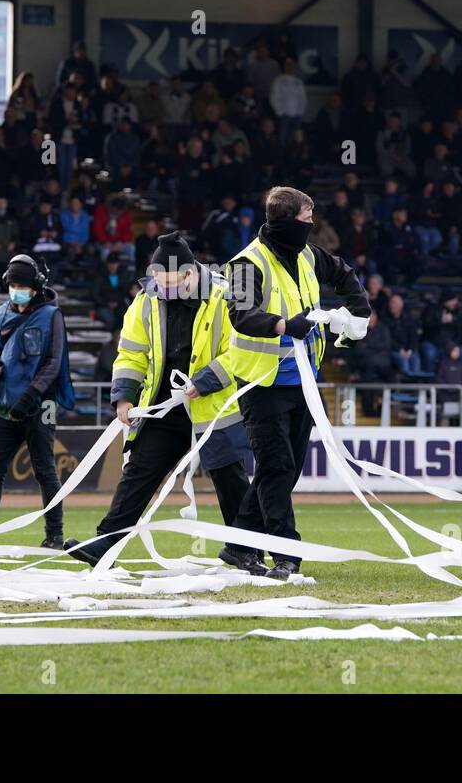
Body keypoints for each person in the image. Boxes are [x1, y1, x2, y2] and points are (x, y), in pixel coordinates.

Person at [63, 234, 253, 565]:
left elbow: (238, 352)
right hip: (165, 406)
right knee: (138, 474)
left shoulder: (225, 295)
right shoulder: (147, 298)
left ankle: (243, 549)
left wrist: (204, 382)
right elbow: (131, 353)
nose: (163, 289)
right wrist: (124, 398)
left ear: (190, 274)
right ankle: (105, 544)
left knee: (229, 478)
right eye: (158, 282)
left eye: (169, 283)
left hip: (214, 406)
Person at [221, 186, 371, 580]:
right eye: (307, 219)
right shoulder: (243, 264)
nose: (312, 227)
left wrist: (360, 309)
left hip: (302, 380)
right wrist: (284, 325)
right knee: (276, 464)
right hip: (261, 382)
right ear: (287, 221)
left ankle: (237, 545)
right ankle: (287, 553)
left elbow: (341, 271)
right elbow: (241, 315)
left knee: (286, 470)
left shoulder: (306, 254)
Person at [0, 256, 76, 548]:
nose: (16, 290)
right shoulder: (1, 312)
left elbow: (54, 362)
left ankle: (54, 535)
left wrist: (32, 394)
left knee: (45, 470)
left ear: (35, 286)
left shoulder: (51, 315)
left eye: (22, 285)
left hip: (38, 406)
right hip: (5, 405)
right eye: (13, 285)